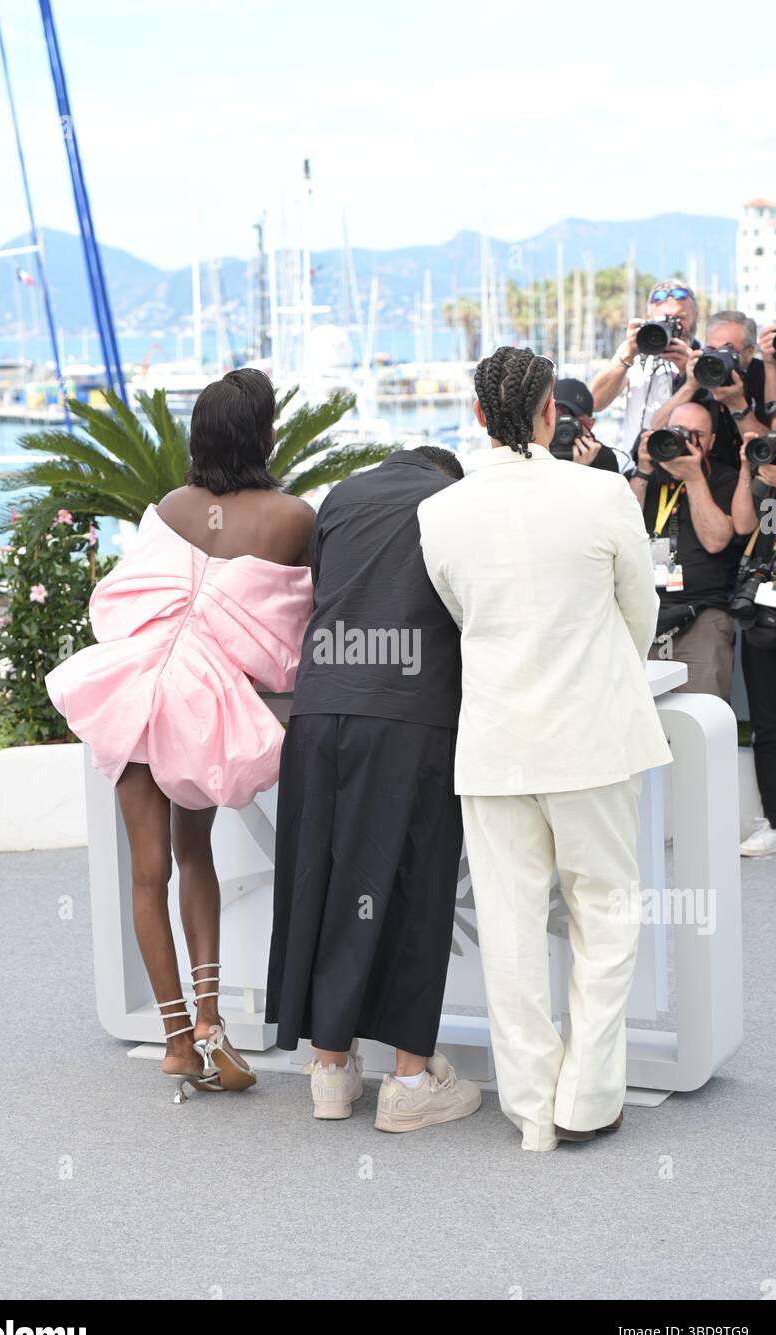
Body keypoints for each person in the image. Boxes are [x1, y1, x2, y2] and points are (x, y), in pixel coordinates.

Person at [418, 347, 671, 1152]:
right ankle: (587, 1098)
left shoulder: (442, 511)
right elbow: (639, 612)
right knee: (604, 914)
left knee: (512, 924)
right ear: (549, 413)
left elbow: (464, 618)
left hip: (493, 741)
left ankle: (530, 1110)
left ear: (481, 417)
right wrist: (602, 670)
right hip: (592, 736)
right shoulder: (600, 495)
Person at [46, 369, 315, 1098]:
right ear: (264, 434)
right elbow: (304, 620)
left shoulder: (168, 506)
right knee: (195, 858)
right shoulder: (292, 517)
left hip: (130, 688)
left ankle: (175, 1043)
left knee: (145, 871)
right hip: (199, 705)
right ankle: (208, 1024)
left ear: (200, 435)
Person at [266, 445, 482, 1132]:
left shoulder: (342, 496)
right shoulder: (454, 502)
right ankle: (409, 1084)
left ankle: (331, 1068)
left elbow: (324, 588)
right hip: (409, 714)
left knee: (325, 879)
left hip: (320, 704)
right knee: (415, 888)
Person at [630, 402, 737, 699]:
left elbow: (716, 540)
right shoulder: (644, 475)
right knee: (643, 720)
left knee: (702, 718)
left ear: (712, 442)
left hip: (702, 613)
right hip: (644, 613)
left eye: (696, 434)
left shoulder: (723, 478)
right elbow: (624, 530)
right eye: (678, 432)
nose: (685, 440)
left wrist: (694, 477)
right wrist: (642, 470)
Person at [731, 406, 776, 856]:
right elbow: (742, 525)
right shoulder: (767, 483)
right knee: (768, 725)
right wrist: (746, 469)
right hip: (765, 618)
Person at [646, 310, 776, 462]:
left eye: (728, 350)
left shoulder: (763, 375)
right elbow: (656, 427)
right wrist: (690, 386)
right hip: (707, 471)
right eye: (711, 349)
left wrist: (737, 405)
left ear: (749, 352)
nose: (718, 357)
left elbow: (774, 444)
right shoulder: (701, 371)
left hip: (755, 472)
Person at [590, 278, 699, 457]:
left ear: (695, 317)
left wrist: (690, 371)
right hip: (636, 465)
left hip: (684, 463)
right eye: (663, 320)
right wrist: (627, 353)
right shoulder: (636, 354)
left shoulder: (700, 357)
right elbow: (594, 402)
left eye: (680, 318)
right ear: (649, 320)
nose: (673, 327)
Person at [552, 378, 620, 471]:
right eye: (558, 417)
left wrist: (583, 470)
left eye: (572, 418)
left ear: (589, 424)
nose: (564, 425)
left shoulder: (602, 456)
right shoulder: (537, 450)